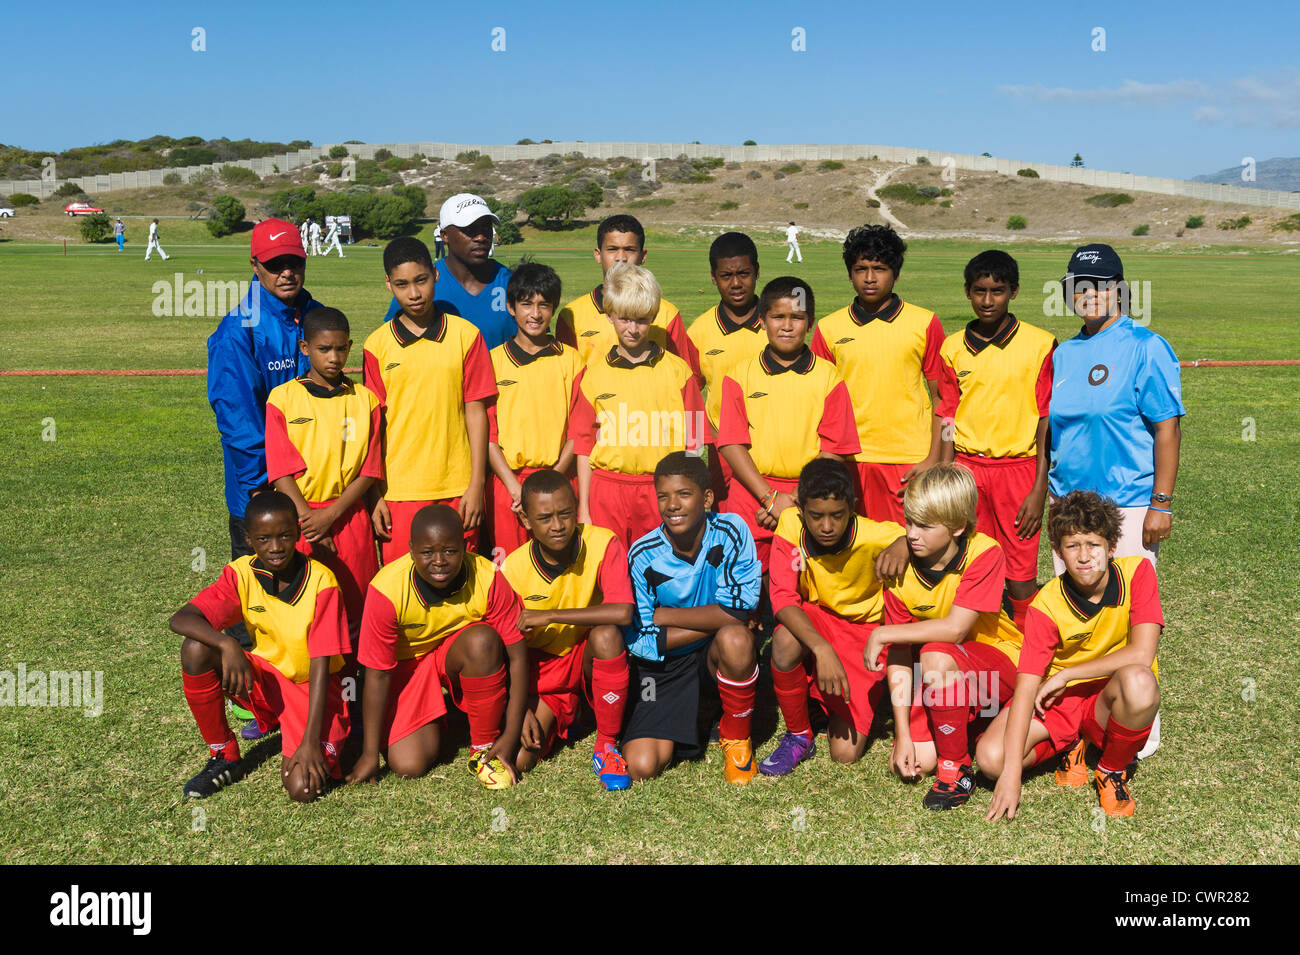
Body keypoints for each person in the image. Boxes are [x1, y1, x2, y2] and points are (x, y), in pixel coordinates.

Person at [1048, 243, 1183, 758]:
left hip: (1126, 505)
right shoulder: (1063, 353)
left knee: (1126, 613)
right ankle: (1081, 715)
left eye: (1100, 284)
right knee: (1078, 613)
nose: (1088, 294)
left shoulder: (1146, 346)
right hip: (1067, 508)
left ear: (1120, 290)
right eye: (1078, 286)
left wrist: (1161, 502)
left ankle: (1137, 717)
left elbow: (1166, 429)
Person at [207, 218, 322, 738]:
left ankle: (310, 683)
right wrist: (271, 490)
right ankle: (253, 701)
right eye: (274, 264)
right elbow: (238, 421)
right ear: (254, 266)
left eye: (292, 261)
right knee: (257, 594)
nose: (286, 271)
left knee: (309, 590)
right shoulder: (239, 328)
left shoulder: (315, 315)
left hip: (318, 486)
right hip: (263, 492)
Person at [981, 491, 1162, 820]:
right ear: (1058, 552)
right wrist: (1011, 775)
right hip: (1060, 699)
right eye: (1072, 546)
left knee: (1140, 680)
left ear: (1111, 547)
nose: (1084, 556)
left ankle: (1109, 771)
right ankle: (1070, 746)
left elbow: (1142, 652)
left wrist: (1068, 673)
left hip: (1110, 694)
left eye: (1093, 544)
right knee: (991, 759)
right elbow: (1026, 688)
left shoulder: (1138, 573)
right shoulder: (1046, 604)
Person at [169, 491, 351, 801]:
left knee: (302, 789)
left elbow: (321, 665)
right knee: (195, 649)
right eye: (264, 539)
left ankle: (328, 737)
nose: (276, 547)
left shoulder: (322, 582)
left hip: (315, 689)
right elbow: (182, 619)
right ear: (249, 539)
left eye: (284, 536)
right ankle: (223, 755)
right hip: (266, 680)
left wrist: (309, 743)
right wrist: (227, 643)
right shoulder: (242, 573)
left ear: (297, 532)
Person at [869, 464, 1024, 810]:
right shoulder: (899, 569)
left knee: (937, 653)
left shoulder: (984, 553)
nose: (911, 534)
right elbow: (898, 655)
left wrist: (882, 632)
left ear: (956, 527)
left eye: (924, 525)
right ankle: (968, 733)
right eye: (909, 522)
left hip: (998, 667)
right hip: (941, 676)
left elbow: (955, 629)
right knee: (915, 763)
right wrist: (903, 734)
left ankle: (955, 772)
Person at [348, 505, 528, 789]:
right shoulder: (386, 590)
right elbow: (377, 674)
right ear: (410, 550)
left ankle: (484, 743)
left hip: (456, 654)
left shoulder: (487, 575)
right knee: (409, 765)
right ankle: (448, 718)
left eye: (450, 551)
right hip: (406, 670)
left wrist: (513, 731)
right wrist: (370, 753)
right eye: (427, 552)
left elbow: (518, 655)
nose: (439, 561)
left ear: (465, 546)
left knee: (481, 640)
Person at [621, 453, 762, 784]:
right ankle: (697, 715)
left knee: (736, 639)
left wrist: (666, 615)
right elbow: (641, 642)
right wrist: (722, 619)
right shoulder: (643, 555)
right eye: (663, 496)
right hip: (663, 667)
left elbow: (739, 610)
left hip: (714, 654)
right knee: (641, 766)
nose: (672, 505)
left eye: (684, 494)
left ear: (707, 498)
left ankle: (737, 740)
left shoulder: (731, 530)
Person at [760, 460, 907, 775]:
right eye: (816, 516)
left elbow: (917, 535)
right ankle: (799, 734)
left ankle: (825, 700)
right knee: (785, 638)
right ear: (802, 511)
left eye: (837, 516)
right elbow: (783, 599)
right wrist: (822, 648)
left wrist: (905, 544)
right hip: (818, 619)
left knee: (845, 753)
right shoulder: (789, 525)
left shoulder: (876, 535)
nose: (826, 526)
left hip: (863, 634)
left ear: (852, 508)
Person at [936, 250, 1056, 628]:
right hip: (967, 468)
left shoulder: (1040, 344)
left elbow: (1045, 418)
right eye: (979, 291)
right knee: (969, 561)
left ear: (1014, 292)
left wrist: (1040, 486)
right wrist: (943, 468)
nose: (988, 301)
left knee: (1020, 571)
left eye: (997, 291)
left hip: (1018, 470)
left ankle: (1025, 644)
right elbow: (947, 413)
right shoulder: (953, 347)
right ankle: (978, 641)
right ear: (967, 292)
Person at [363, 237, 496, 561]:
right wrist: (374, 496)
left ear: (435, 274)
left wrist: (476, 484)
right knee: (405, 587)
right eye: (402, 284)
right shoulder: (377, 345)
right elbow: (372, 427)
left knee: (460, 584)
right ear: (388, 284)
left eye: (421, 280)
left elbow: (477, 411)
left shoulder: (467, 335)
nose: (413, 293)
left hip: (457, 487)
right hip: (399, 492)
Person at [501, 470, 635, 790]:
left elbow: (623, 612)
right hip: (542, 670)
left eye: (565, 513)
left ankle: (607, 745)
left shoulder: (603, 543)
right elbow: (502, 648)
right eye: (545, 518)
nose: (558, 525)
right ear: (527, 520)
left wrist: (549, 615)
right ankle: (575, 715)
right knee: (522, 757)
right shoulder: (512, 570)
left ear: (576, 506)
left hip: (586, 649)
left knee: (607, 633)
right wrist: (516, 707)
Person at [717, 276, 860, 569]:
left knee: (800, 586)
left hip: (809, 498)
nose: (786, 325)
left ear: (810, 323)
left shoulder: (829, 377)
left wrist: (793, 500)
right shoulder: (738, 375)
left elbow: (833, 448)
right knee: (746, 589)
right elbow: (732, 444)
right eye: (777, 316)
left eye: (797, 317)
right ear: (761, 320)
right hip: (750, 495)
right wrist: (770, 499)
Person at [568, 263, 711, 549]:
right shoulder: (592, 376)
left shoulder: (678, 371)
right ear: (610, 315)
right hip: (608, 490)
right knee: (611, 575)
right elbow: (584, 447)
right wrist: (584, 506)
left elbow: (695, 441)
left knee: (663, 573)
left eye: (642, 320)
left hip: (662, 489)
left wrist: (688, 495)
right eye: (624, 319)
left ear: (654, 316)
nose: (632, 329)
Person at [812, 225, 946, 524]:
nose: (870, 278)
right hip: (848, 459)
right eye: (861, 269)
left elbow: (943, 397)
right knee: (854, 552)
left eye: (879, 269)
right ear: (850, 274)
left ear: (895, 274)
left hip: (907, 458)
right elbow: (816, 403)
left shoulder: (924, 323)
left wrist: (932, 458)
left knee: (906, 551)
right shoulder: (829, 328)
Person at [265, 307, 382, 631]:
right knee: (307, 616)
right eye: (324, 349)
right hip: (301, 520)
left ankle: (355, 679)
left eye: (341, 348)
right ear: (305, 348)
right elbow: (279, 471)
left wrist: (329, 517)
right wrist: (309, 521)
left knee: (356, 611)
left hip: (349, 519)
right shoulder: (283, 399)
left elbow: (369, 470)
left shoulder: (365, 400)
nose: (334, 357)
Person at [487, 263, 582, 552]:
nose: (535, 314)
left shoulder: (572, 361)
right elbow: (487, 435)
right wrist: (514, 487)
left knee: (561, 567)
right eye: (526, 304)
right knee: (510, 572)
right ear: (511, 307)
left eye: (544, 305)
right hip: (509, 485)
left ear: (554, 309)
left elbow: (579, 430)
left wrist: (555, 476)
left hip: (559, 478)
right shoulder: (492, 362)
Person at [555, 214, 700, 376]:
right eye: (612, 249)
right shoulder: (572, 315)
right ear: (598, 254)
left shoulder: (667, 313)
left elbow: (686, 375)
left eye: (629, 250)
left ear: (643, 256)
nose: (621, 258)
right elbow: (566, 377)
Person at [686, 232, 768, 505]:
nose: (736, 283)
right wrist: (693, 454)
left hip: (774, 447)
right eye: (726, 276)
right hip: (721, 454)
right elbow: (691, 398)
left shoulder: (778, 326)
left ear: (757, 272)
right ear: (713, 277)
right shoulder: (699, 331)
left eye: (744, 273)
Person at [379, 194, 515, 349]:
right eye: (469, 229)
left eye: (486, 228)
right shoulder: (420, 283)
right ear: (444, 235)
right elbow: (391, 345)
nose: (481, 237)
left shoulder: (511, 282)